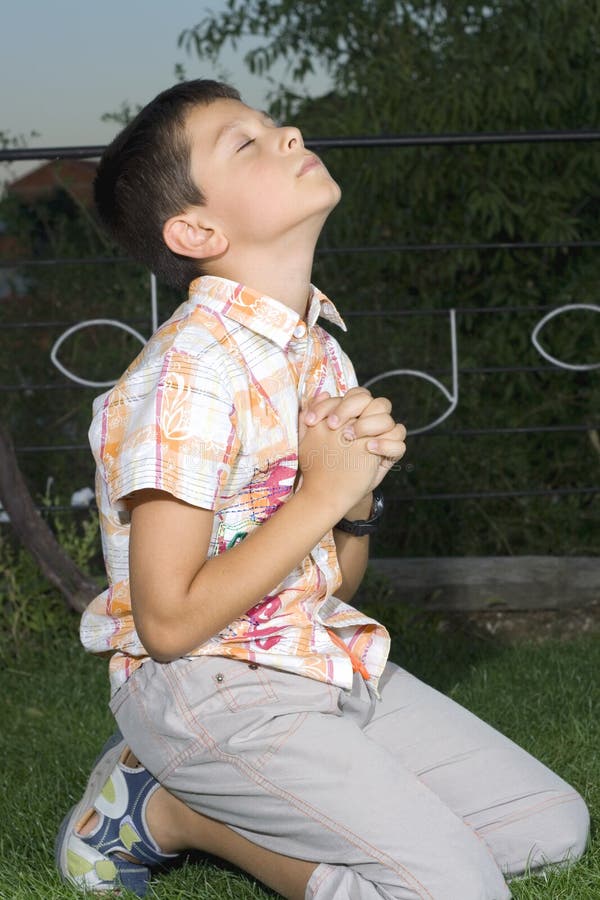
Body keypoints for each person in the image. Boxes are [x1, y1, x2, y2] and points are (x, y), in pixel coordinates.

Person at [55, 80, 589, 900]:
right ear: (196, 229)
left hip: (316, 660)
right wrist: (320, 494)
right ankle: (175, 812)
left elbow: (332, 583)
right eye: (246, 142)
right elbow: (165, 624)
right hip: (209, 687)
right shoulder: (184, 377)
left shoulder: (317, 352)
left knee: (549, 826)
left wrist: (359, 501)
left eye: (273, 124)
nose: (289, 134)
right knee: (461, 890)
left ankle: (190, 795)